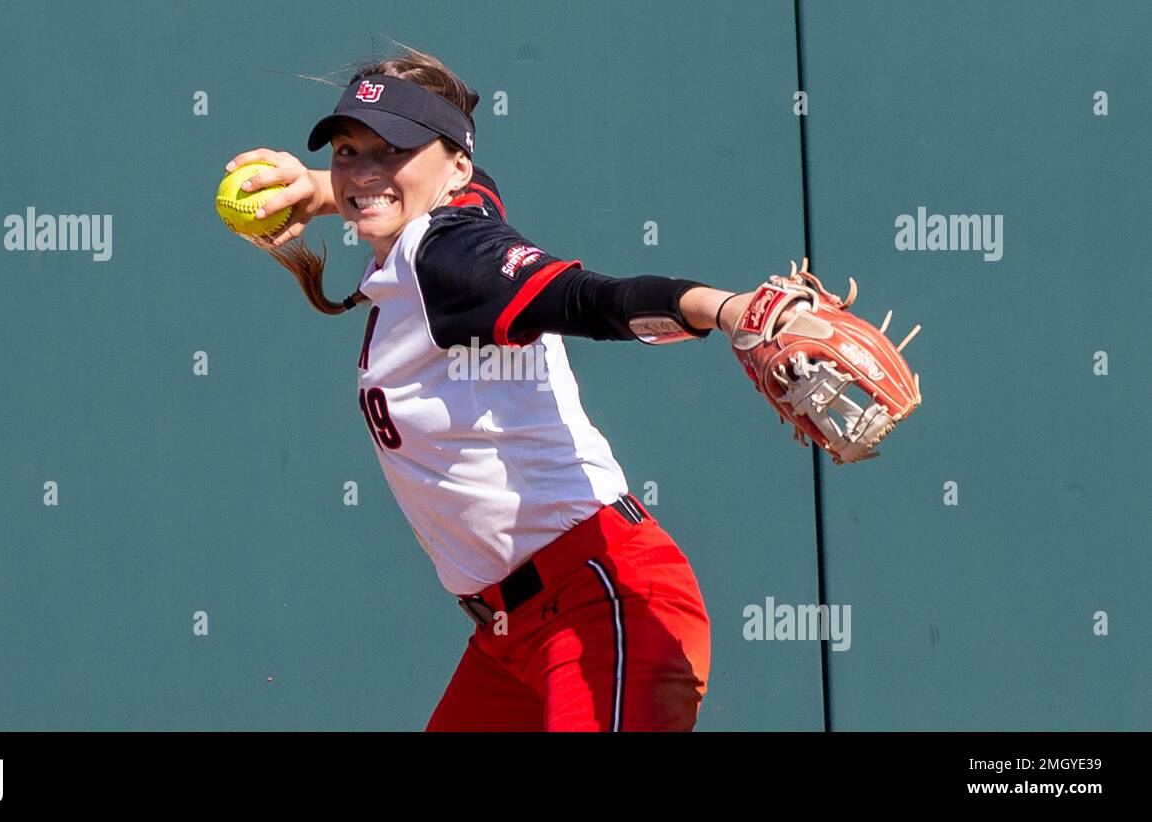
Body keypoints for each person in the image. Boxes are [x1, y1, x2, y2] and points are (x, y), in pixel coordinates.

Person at [224, 45, 784, 731]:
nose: (364, 170)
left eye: (388, 152)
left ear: (454, 167)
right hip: (509, 637)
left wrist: (726, 310)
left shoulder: (449, 259)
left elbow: (588, 299)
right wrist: (322, 187)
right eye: (347, 151)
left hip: (603, 608)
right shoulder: (451, 213)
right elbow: (429, 181)